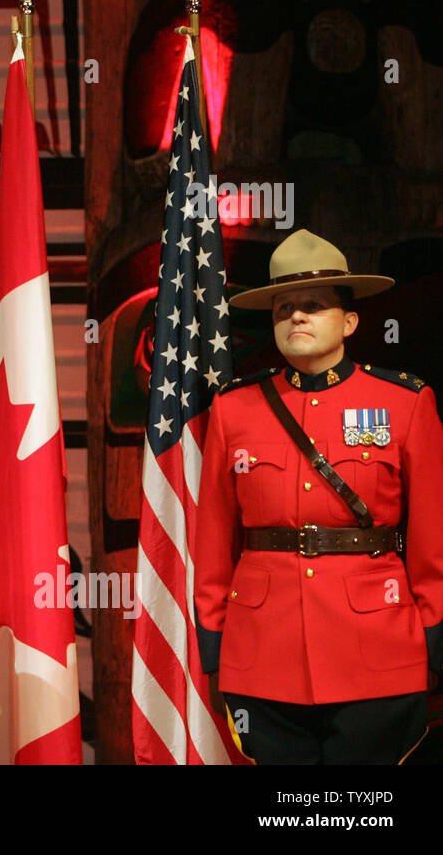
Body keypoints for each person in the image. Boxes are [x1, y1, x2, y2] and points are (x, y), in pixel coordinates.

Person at [194, 229, 443, 764]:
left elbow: (431, 541)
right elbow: (213, 538)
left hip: (379, 645)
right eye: (284, 308)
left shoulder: (405, 402)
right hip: (263, 650)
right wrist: (213, 644)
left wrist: (433, 640)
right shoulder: (234, 409)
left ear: (350, 321)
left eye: (313, 306)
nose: (296, 318)